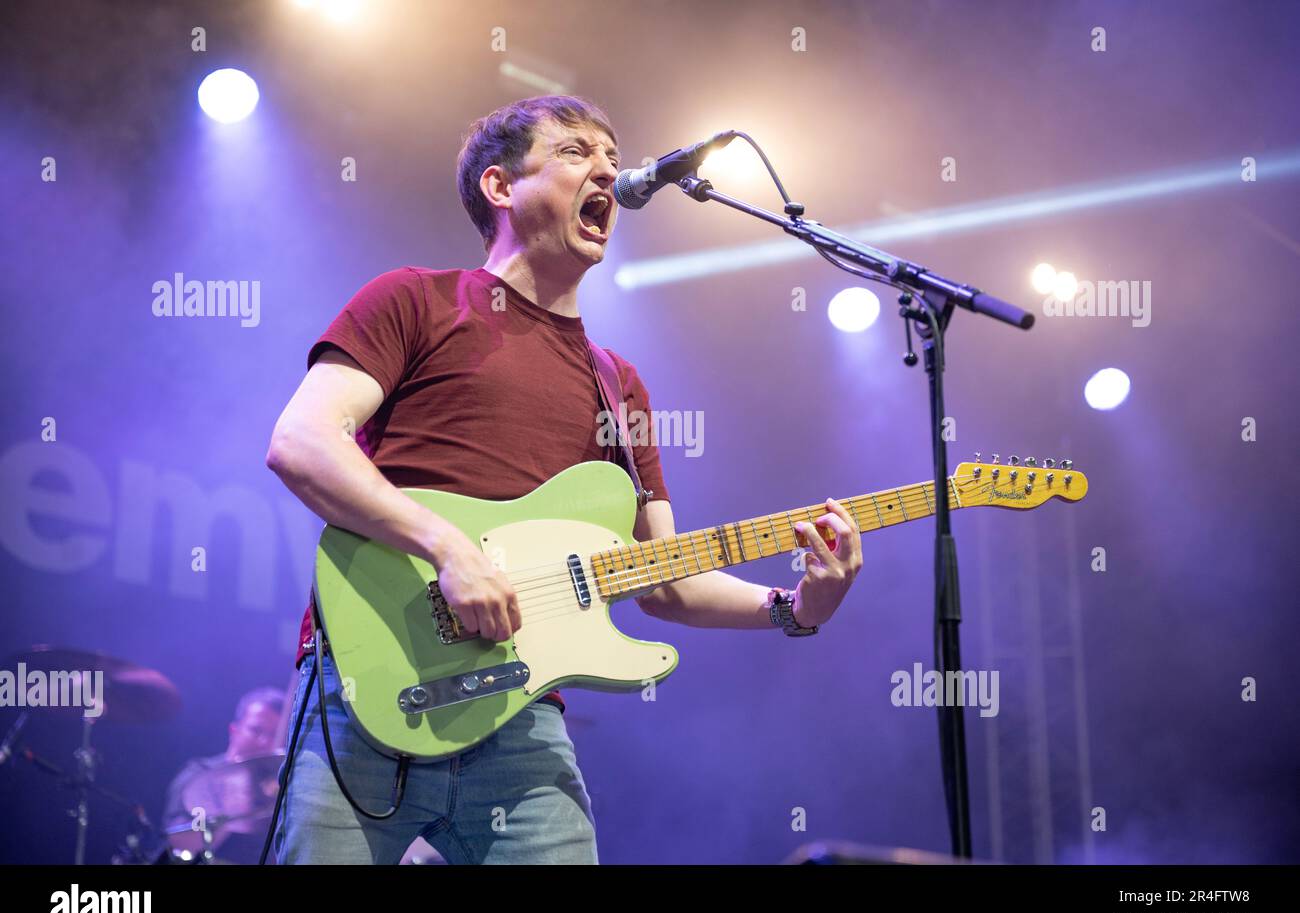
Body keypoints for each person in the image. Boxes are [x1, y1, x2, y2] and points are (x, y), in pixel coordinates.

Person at [265, 95, 863, 865]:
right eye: (578, 152)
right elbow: (302, 441)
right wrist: (450, 550)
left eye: (614, 160)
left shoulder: (619, 384)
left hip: (523, 719)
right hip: (365, 687)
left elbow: (665, 579)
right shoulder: (414, 299)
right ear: (500, 187)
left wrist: (797, 606)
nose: (609, 172)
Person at [163, 687, 284, 864]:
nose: (265, 742)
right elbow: (180, 846)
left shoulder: (281, 787)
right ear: (234, 730)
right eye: (256, 730)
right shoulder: (199, 773)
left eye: (274, 735)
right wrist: (236, 798)